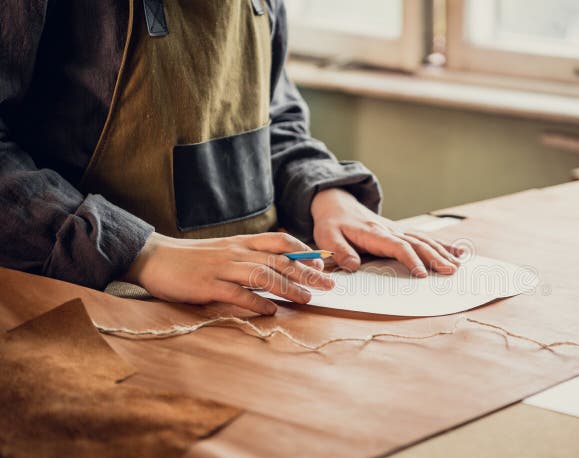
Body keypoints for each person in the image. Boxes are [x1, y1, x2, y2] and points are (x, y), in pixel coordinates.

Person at [0, 0, 461, 316]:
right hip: (88, 314)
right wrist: (141, 252)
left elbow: (271, 114)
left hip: (249, 306)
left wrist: (327, 194)